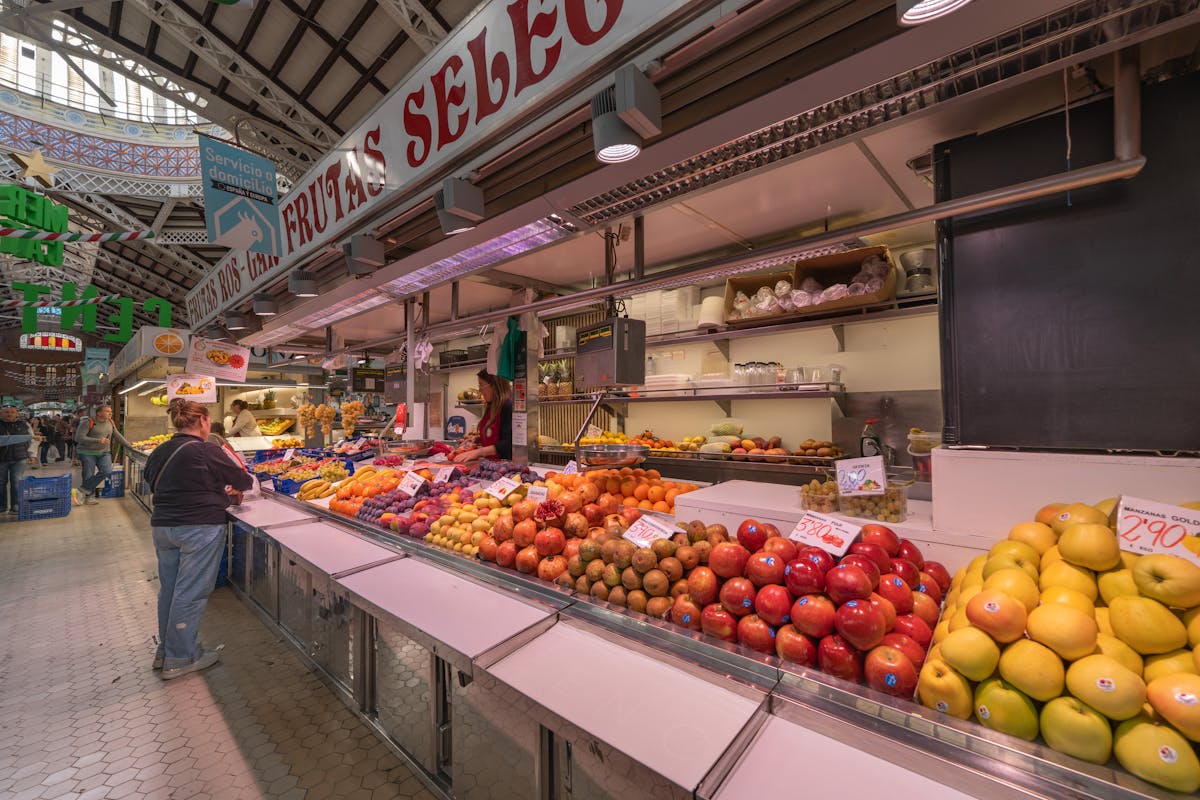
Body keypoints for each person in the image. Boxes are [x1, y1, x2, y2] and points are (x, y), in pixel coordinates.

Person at [144, 399, 253, 679]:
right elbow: (243, 481)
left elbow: (154, 480)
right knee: (190, 593)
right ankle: (180, 658)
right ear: (204, 421)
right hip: (198, 528)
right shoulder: (206, 450)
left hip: (163, 527)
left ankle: (166, 652)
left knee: (170, 590)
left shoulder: (161, 450)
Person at [72, 405, 132, 506]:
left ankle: (81, 490)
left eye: (111, 411)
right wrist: (98, 440)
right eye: (107, 411)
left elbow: (116, 435)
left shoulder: (110, 422)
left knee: (106, 471)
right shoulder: (87, 422)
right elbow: (78, 438)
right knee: (88, 474)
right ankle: (89, 497)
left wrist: (129, 445)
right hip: (87, 452)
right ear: (99, 413)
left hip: (104, 452)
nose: (110, 413)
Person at [453, 370, 512, 463]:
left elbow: (508, 443)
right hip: (490, 464)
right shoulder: (490, 406)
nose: (479, 390)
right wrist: (476, 439)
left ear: (494, 385)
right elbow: (494, 436)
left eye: (481, 385)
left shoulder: (508, 406)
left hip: (504, 466)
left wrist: (479, 452)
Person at [0, 406, 33, 515]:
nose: (9, 414)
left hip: (20, 458)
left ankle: (16, 506)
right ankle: (2, 506)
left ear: (17, 414)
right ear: (1, 413)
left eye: (12, 412)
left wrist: (32, 455)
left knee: (17, 482)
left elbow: (32, 440)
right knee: (1, 483)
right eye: (6, 412)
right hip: (1, 459)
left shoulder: (24, 425)